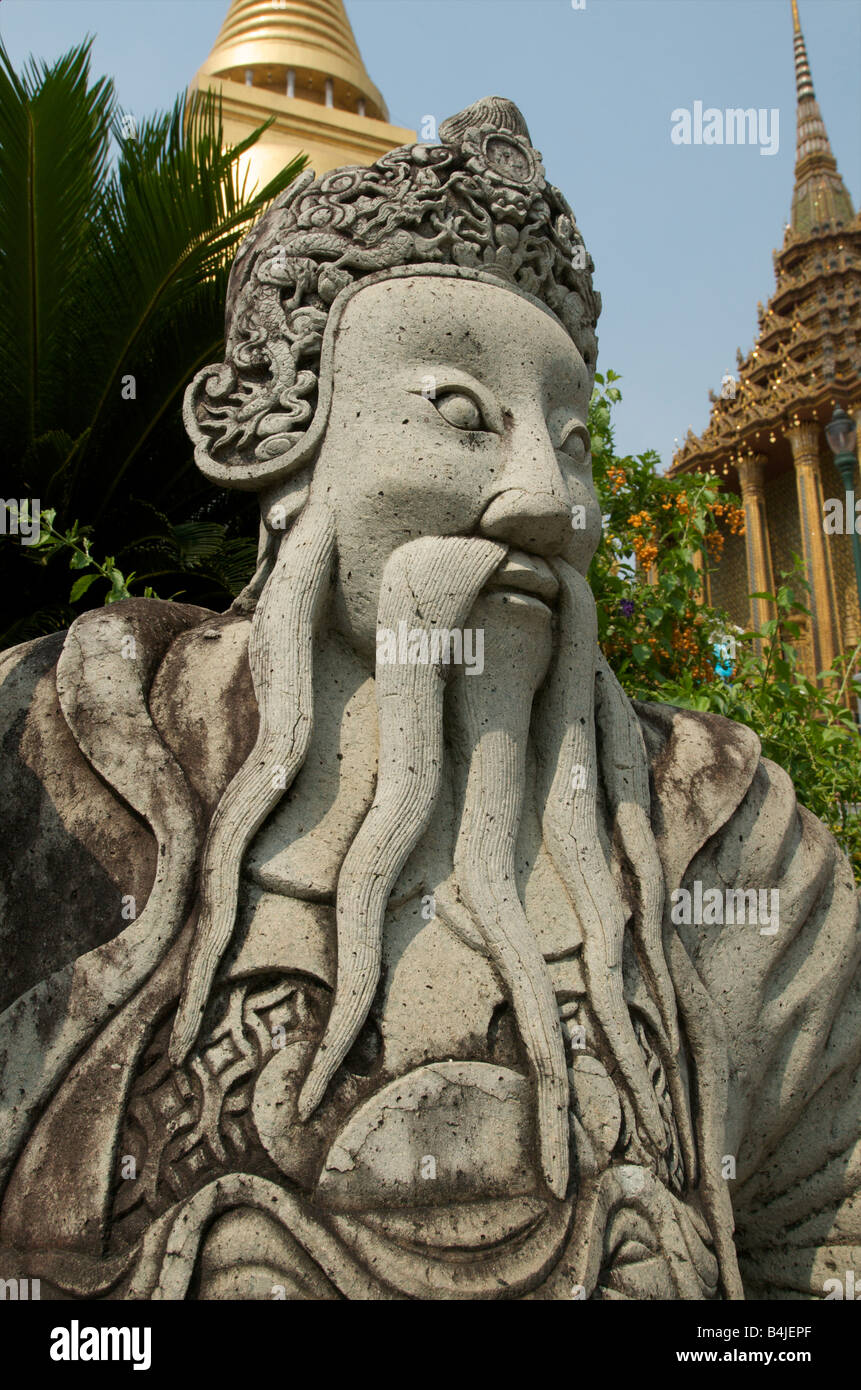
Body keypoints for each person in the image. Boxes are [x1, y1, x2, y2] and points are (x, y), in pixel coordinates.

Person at [0, 98, 858, 1301]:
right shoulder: (63, 756)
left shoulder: (726, 833)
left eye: (571, 444)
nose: (544, 500)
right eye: (463, 415)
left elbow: (828, 1240)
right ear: (277, 432)